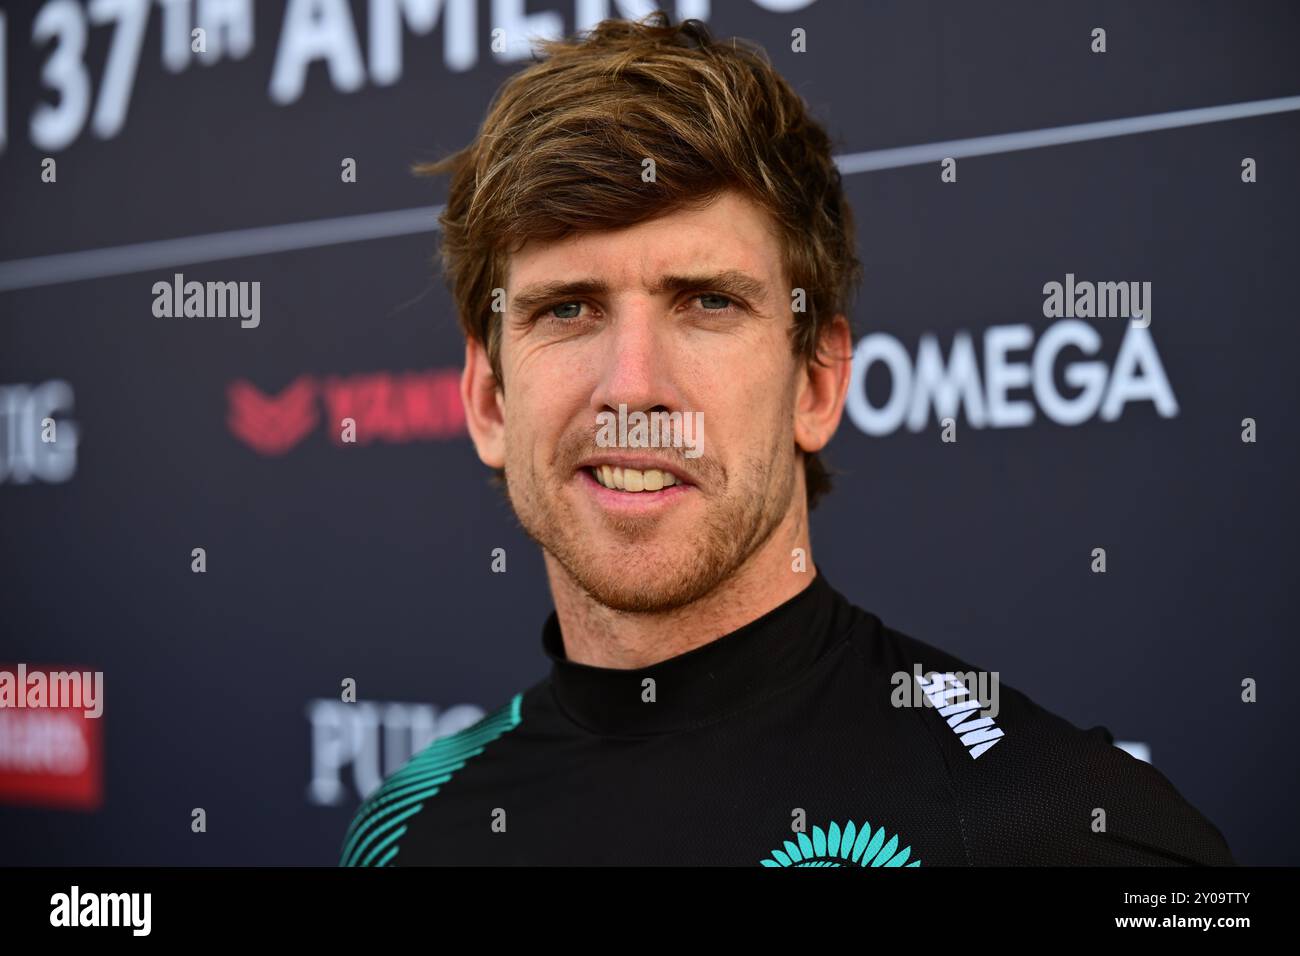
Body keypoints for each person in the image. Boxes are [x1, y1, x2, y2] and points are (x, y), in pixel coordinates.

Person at [340, 12, 1233, 867]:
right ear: (489, 398)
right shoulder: (406, 827)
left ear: (817, 382)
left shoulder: (1055, 827)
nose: (633, 388)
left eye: (710, 302)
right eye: (566, 309)